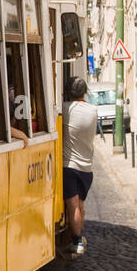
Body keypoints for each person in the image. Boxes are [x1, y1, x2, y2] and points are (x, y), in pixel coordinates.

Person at [62, 75, 98, 255]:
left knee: (72, 205)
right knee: (80, 205)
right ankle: (79, 236)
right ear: (85, 92)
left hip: (70, 166)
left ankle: (77, 240)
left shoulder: (65, 109)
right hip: (87, 169)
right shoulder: (93, 110)